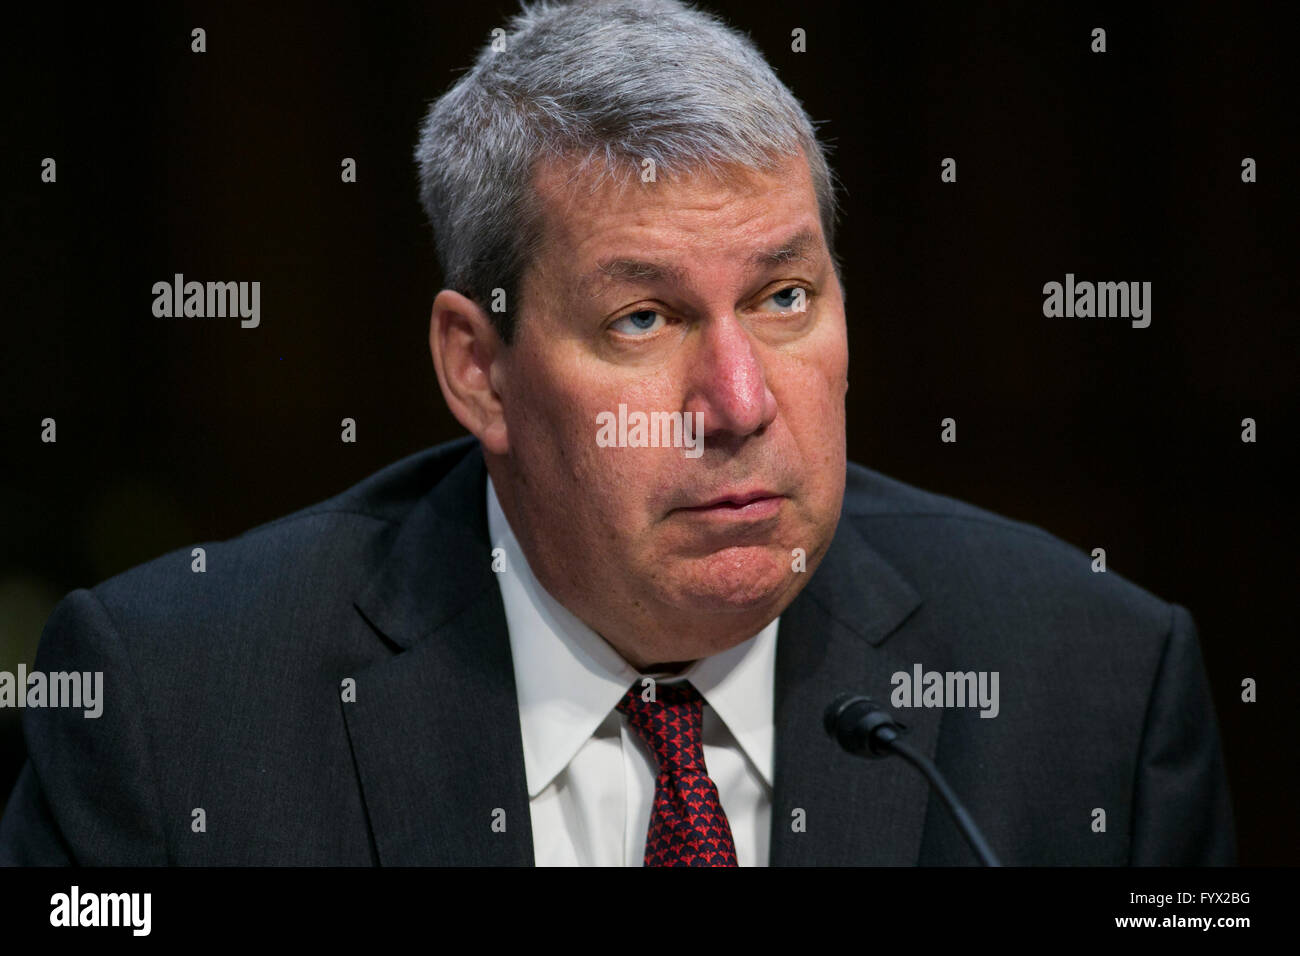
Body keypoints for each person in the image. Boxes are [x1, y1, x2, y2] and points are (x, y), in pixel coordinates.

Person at [0, 0, 1233, 866]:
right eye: (643, 318)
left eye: (784, 297)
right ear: (478, 369)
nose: (742, 402)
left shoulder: (1094, 687)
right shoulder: (178, 712)